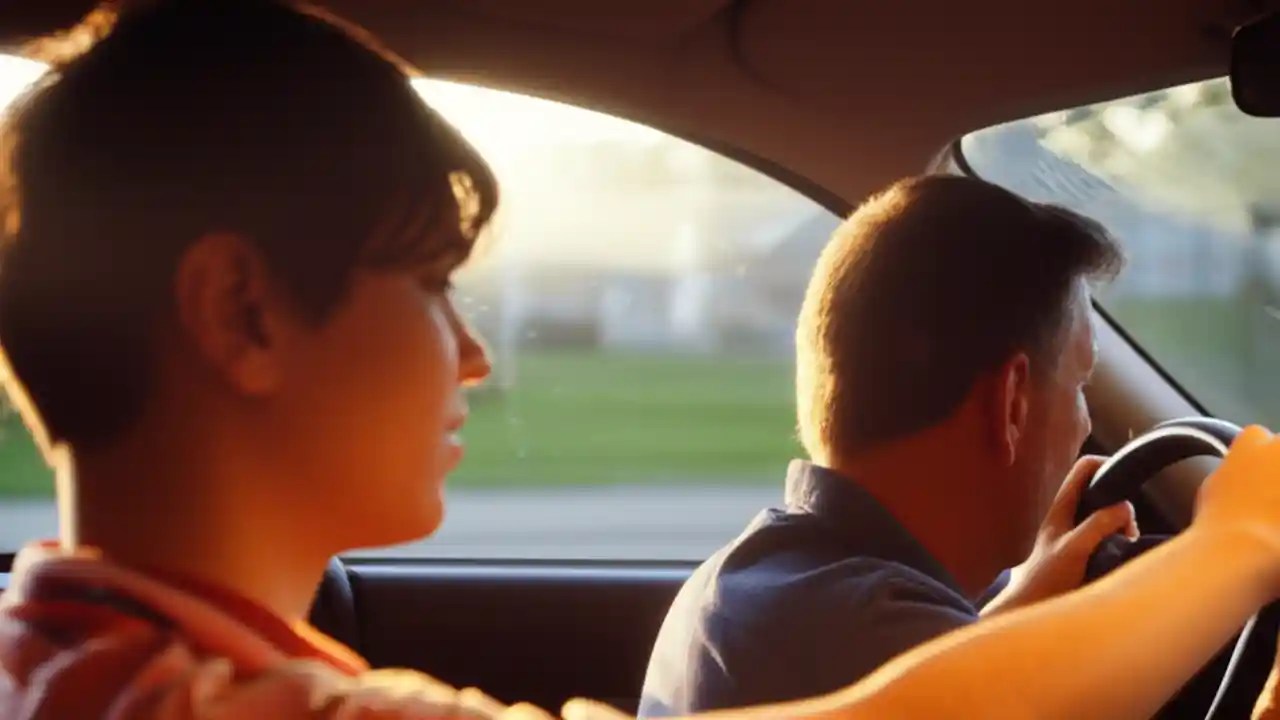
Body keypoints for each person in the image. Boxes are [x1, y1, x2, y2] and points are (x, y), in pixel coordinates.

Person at [2, 2, 1280, 720]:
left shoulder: (71, 660)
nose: (475, 357)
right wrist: (1233, 550)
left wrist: (1022, 612)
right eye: (433, 288)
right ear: (244, 313)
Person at [641, 175, 1155, 716]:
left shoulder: (751, 584)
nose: (1085, 422)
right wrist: (1236, 545)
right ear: (1012, 404)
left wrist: (1019, 607)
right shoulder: (869, 630)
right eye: (1078, 386)